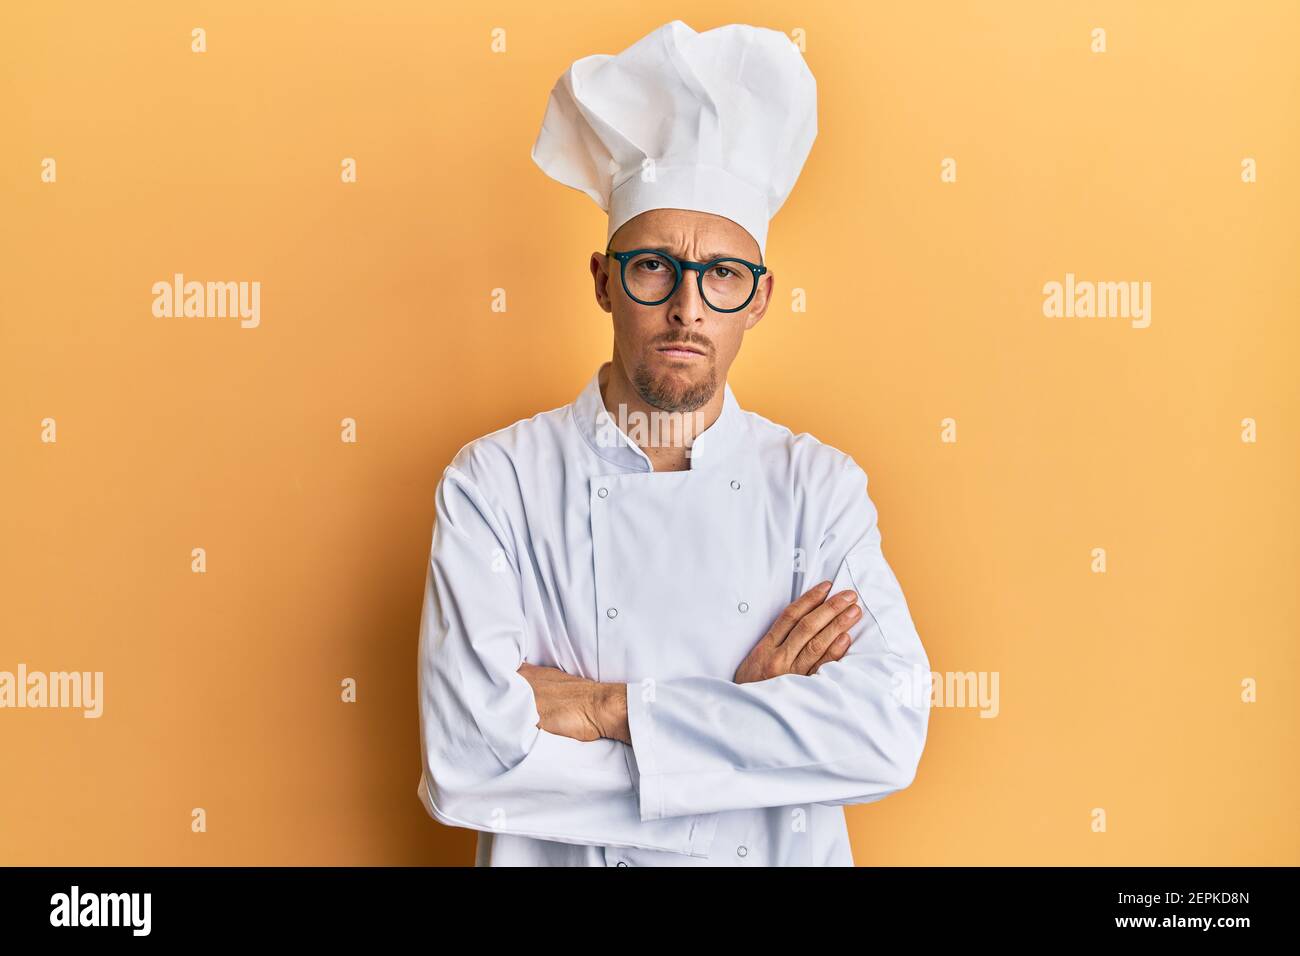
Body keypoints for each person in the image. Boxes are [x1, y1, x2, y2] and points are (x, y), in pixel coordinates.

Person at [416, 19, 931, 866]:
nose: (689, 308)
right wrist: (749, 736)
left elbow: (886, 731)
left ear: (758, 299)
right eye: (655, 265)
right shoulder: (494, 483)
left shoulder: (817, 489)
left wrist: (609, 711)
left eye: (723, 273)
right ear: (603, 281)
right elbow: (465, 764)